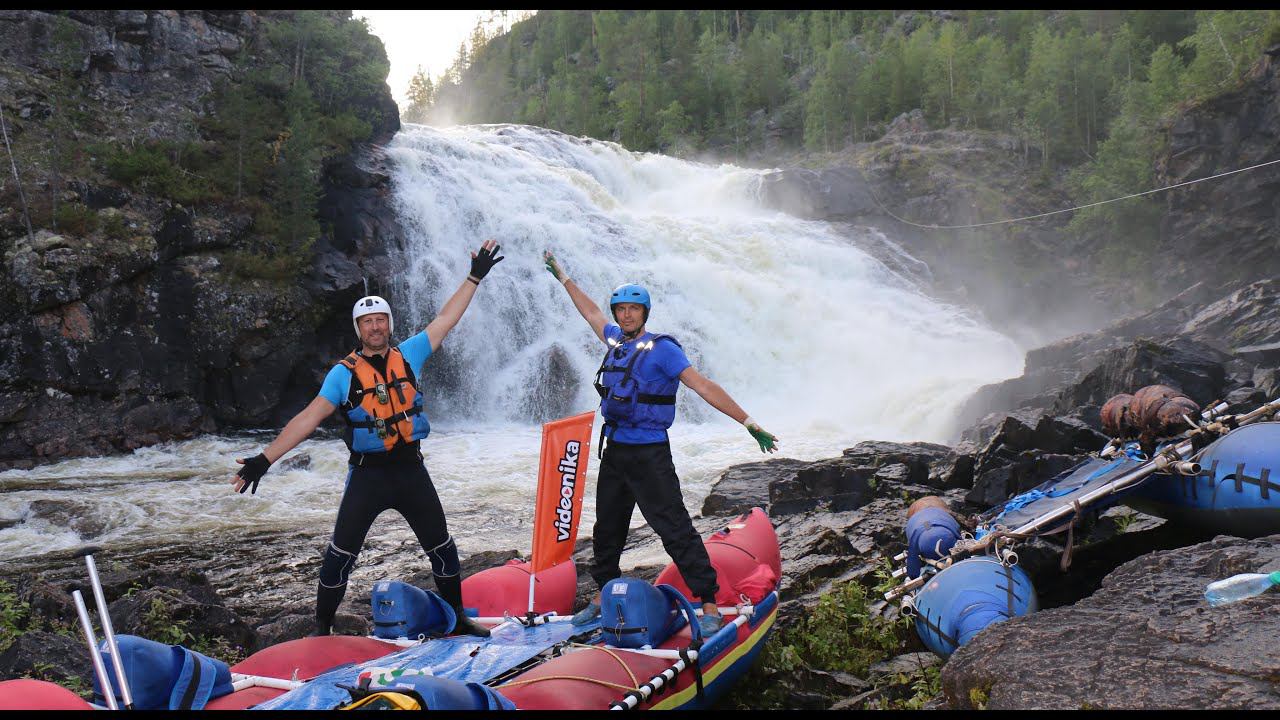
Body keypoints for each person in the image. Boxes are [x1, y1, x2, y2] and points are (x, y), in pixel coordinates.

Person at [230, 239, 505, 638]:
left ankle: (458, 617)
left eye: (381, 320)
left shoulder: (411, 354)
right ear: (358, 329)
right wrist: (265, 459)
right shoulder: (343, 374)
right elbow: (308, 418)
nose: (375, 327)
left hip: (411, 470)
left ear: (389, 324)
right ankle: (321, 628)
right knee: (340, 555)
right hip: (368, 476)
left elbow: (447, 318)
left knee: (442, 546)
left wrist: (474, 277)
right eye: (367, 322)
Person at [542, 250, 779, 636]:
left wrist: (748, 422)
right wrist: (565, 277)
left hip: (650, 455)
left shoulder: (664, 349)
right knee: (607, 530)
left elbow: (702, 385)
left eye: (634, 309)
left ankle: (707, 602)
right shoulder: (616, 341)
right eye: (621, 309)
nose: (626, 315)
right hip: (615, 452)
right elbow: (590, 315)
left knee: (675, 528)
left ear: (645, 313)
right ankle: (603, 593)